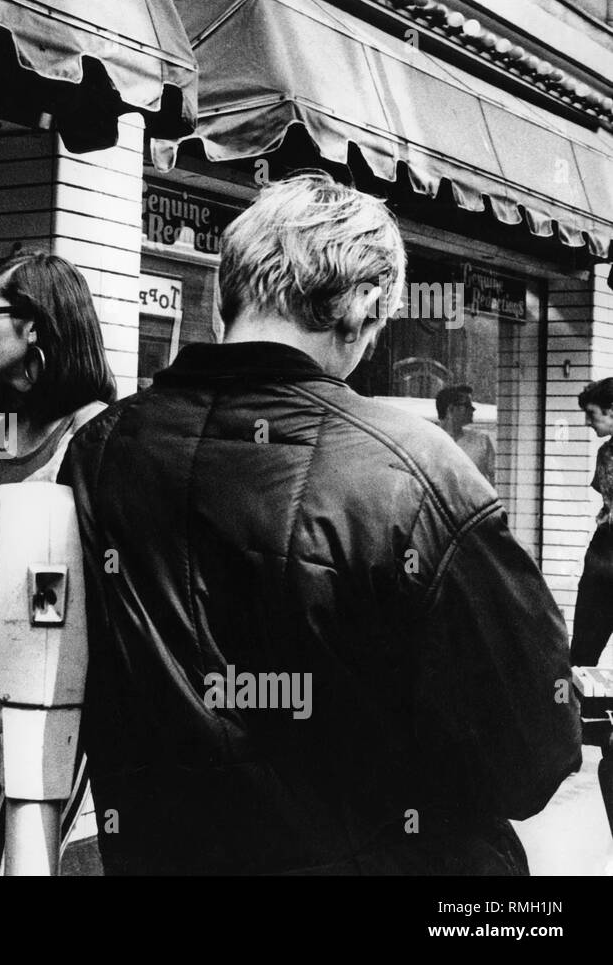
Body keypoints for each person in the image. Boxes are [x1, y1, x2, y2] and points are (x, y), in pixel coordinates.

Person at [59, 172, 581, 875]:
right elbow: (530, 755)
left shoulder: (102, 450)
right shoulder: (417, 471)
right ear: (361, 311)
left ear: (224, 297)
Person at [0, 250, 116, 874]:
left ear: (34, 325)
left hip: (59, 675)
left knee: (22, 851)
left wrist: (3, 510)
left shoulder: (95, 427)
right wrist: (31, 498)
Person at [572, 378, 613, 668]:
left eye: (592, 414)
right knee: (582, 651)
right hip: (605, 553)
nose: (587, 422)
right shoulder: (605, 453)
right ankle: (568, 696)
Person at [436, 384, 496, 486]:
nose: (473, 409)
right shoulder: (428, 441)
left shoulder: (481, 441)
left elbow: (497, 476)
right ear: (451, 409)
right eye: (467, 406)